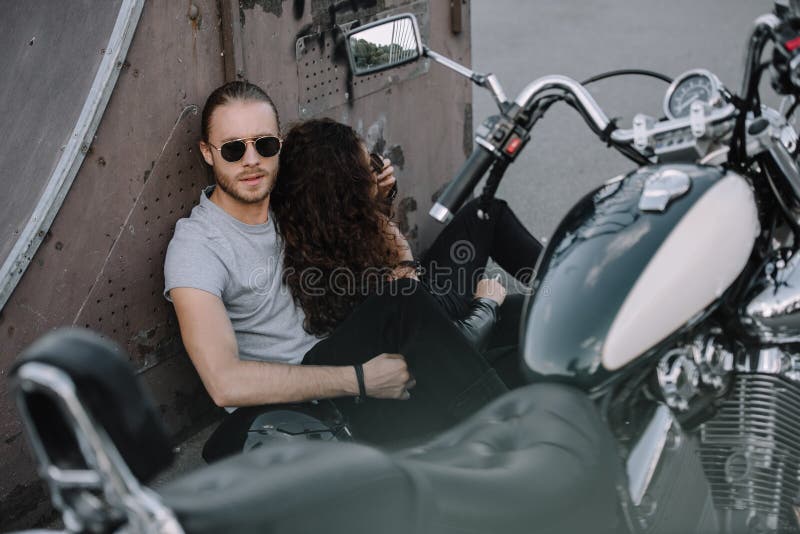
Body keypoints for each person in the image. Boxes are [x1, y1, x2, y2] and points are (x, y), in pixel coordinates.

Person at [164, 81, 506, 449]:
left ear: (278, 143)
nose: (251, 161)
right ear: (207, 152)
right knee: (405, 299)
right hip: (301, 407)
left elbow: (356, 232)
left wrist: (373, 198)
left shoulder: (287, 201)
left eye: (264, 145)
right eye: (233, 149)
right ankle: (513, 444)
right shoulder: (197, 246)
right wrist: (360, 378)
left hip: (352, 356)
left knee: (512, 321)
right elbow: (224, 384)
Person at [273, 118, 543, 388]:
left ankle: (567, 284)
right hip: (433, 324)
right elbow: (434, 335)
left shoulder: (316, 230)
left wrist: (379, 200)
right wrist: (487, 305)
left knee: (485, 215)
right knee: (528, 317)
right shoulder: (338, 276)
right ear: (348, 192)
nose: (379, 172)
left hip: (418, 292)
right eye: (371, 168)